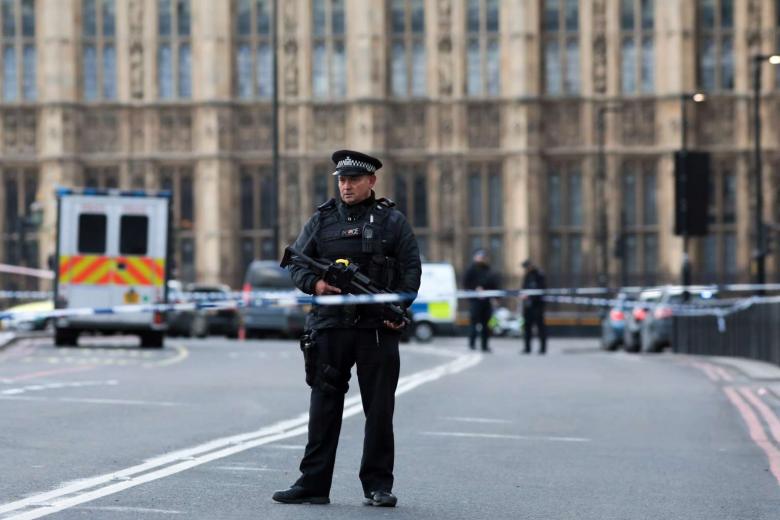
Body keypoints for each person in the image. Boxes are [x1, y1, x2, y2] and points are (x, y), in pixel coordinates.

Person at [273, 150, 422, 508]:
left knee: (379, 409)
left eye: (354, 179)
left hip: (376, 327)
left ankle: (377, 485)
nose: (346, 185)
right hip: (330, 326)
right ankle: (313, 484)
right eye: (342, 179)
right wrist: (317, 285)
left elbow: (410, 270)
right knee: (323, 407)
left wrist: (398, 309)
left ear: (371, 181)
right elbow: (296, 264)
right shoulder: (322, 220)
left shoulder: (392, 221)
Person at [463, 250, 497, 352]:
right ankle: (472, 344)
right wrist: (475, 289)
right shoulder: (471, 270)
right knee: (473, 323)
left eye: (483, 257)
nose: (481, 259)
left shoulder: (487, 270)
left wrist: (495, 297)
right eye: (480, 257)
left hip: (486, 301)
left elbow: (493, 284)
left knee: (485, 324)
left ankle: (484, 345)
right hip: (475, 301)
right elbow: (466, 284)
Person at [521, 259, 547, 355]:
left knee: (540, 327)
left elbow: (541, 289)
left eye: (527, 267)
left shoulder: (539, 275)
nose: (526, 269)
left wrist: (530, 296)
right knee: (527, 327)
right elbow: (524, 287)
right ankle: (527, 348)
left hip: (537, 305)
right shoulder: (527, 275)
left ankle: (542, 348)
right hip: (528, 305)